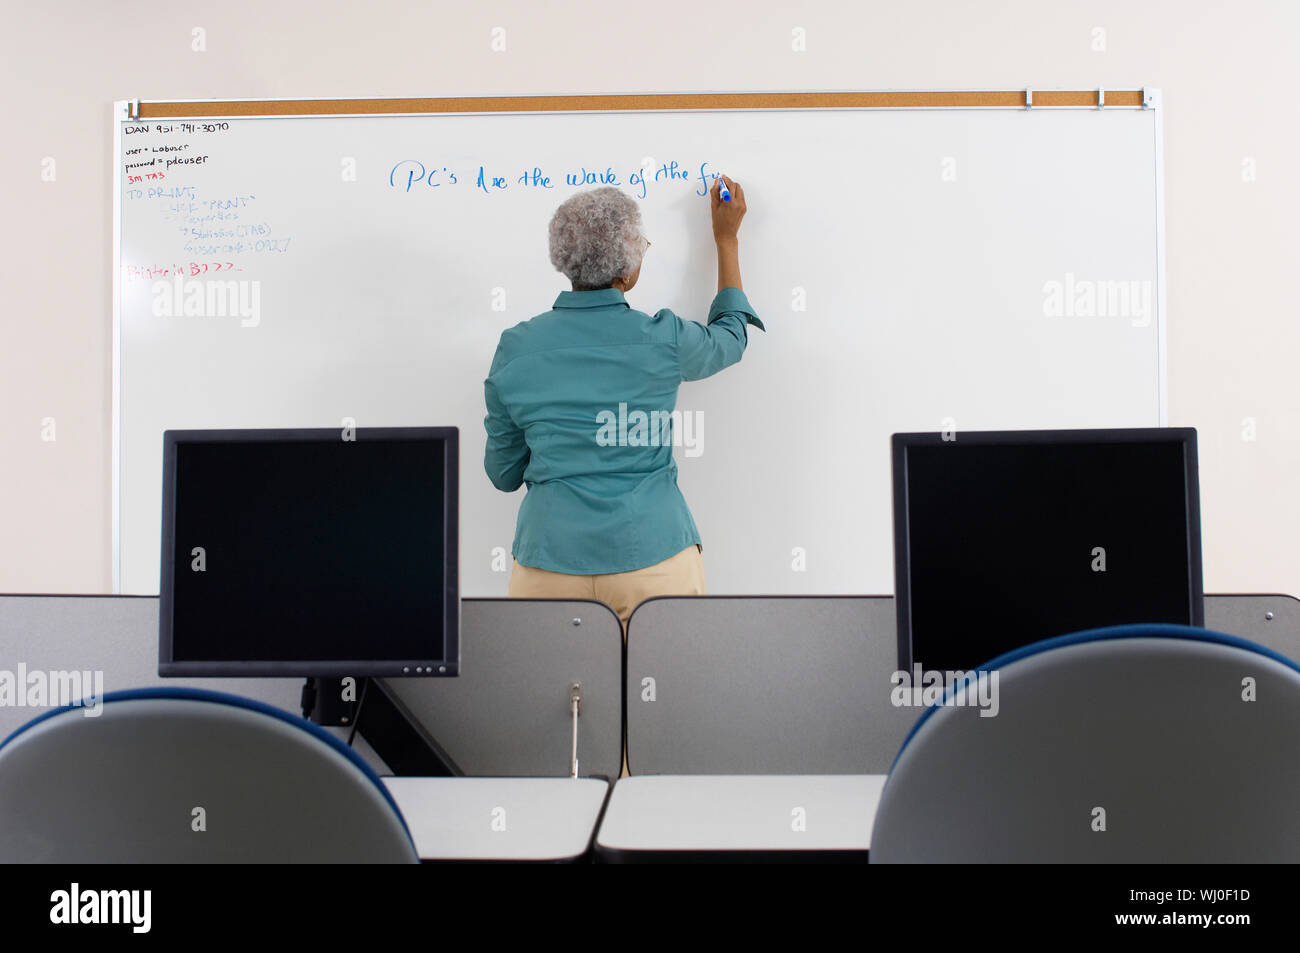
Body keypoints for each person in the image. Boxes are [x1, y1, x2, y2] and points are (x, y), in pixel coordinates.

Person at [483, 175, 763, 634]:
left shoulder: (515, 350)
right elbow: (731, 338)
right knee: (668, 700)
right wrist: (727, 240)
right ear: (628, 270)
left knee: (547, 702)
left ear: (564, 259)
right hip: (654, 561)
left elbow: (503, 474)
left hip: (550, 566)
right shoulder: (663, 339)